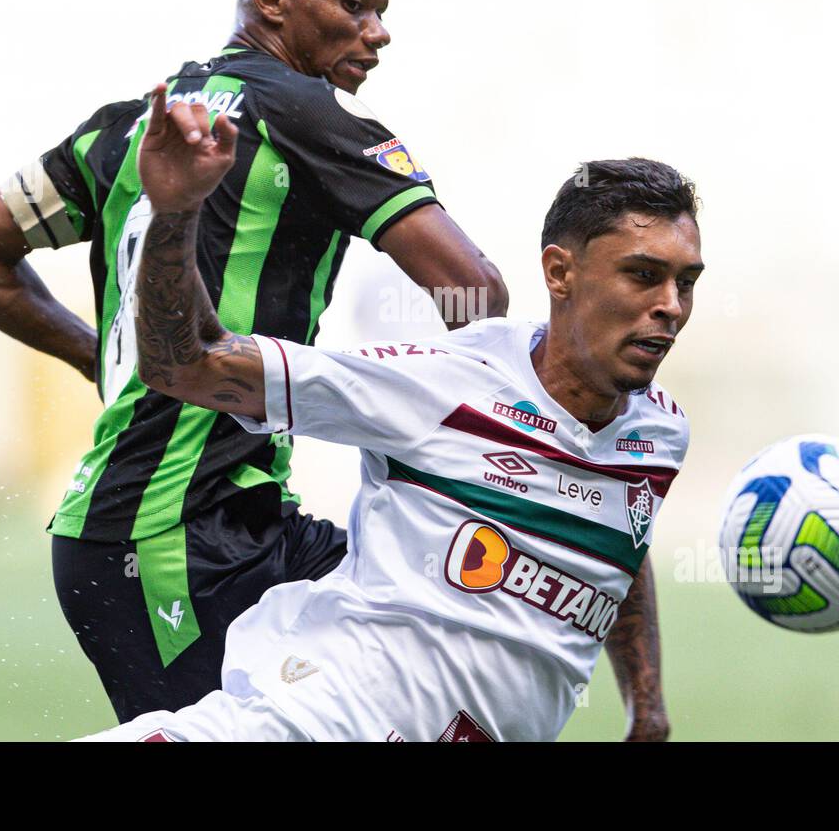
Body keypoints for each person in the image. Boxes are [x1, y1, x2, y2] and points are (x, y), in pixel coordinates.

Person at [0, 0, 507, 723]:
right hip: (168, 535)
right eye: (355, 3)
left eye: (379, 12)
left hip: (231, 518)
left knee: (423, 645)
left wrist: (105, 358)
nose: (377, 33)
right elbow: (475, 294)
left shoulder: (128, 127)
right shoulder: (306, 116)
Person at [86, 87, 701, 741]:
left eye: (686, 282)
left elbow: (617, 532)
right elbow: (188, 365)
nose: (671, 305)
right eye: (643, 275)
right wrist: (176, 211)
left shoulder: (658, 437)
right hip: (312, 723)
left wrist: (648, 706)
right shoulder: (444, 383)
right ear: (560, 272)